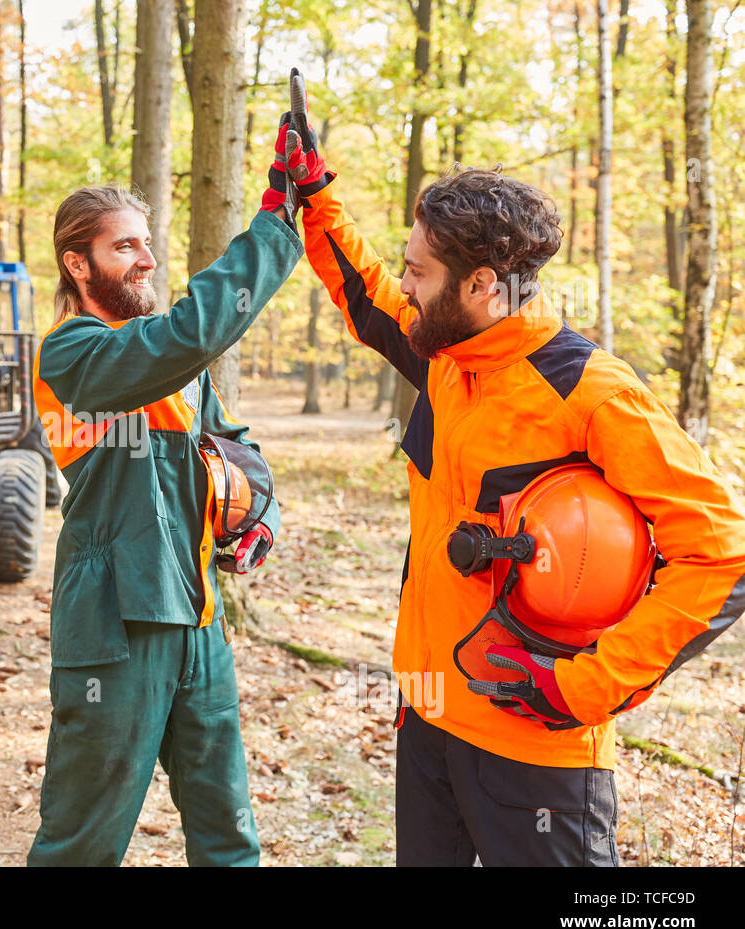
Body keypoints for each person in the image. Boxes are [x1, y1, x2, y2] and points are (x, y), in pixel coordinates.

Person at [280, 112, 745, 866]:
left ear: (482, 283)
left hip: (538, 754)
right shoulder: (447, 351)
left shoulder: (591, 390)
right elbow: (366, 296)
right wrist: (315, 192)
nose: (406, 284)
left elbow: (722, 557)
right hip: (428, 716)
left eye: (419, 272)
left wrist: (588, 686)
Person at [25, 128, 305, 866]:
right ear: (76, 262)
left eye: (147, 244)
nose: (147, 259)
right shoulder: (73, 353)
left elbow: (236, 445)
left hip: (200, 620)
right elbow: (186, 338)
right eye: (125, 247)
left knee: (228, 829)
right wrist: (275, 224)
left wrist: (260, 519)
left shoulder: (168, 359)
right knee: (81, 842)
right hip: (117, 621)